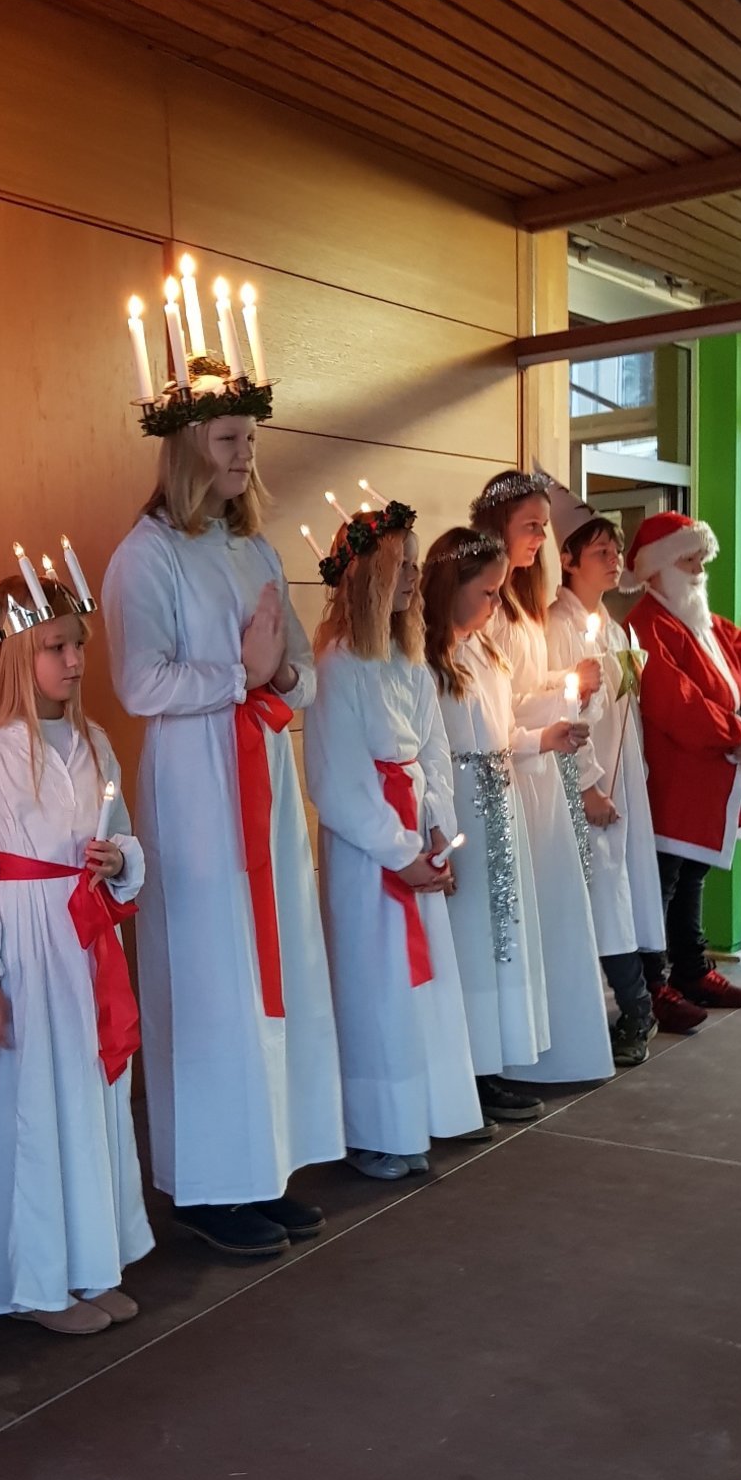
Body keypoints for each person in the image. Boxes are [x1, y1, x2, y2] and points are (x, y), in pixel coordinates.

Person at [102, 339, 342, 1256]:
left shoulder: (254, 548)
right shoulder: (144, 556)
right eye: (233, 439)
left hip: (263, 776)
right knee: (209, 978)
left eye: (251, 440)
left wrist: (273, 675)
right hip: (198, 787)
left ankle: (264, 1164)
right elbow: (137, 683)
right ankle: (207, 1186)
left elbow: (304, 670)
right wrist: (237, 675)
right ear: (188, 443)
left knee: (270, 970)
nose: (248, 456)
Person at [0, 559, 152, 1335]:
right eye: (55, 646)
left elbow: (120, 828)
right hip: (24, 954)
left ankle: (93, 1263)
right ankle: (38, 1284)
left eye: (78, 644)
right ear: (11, 653)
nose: (73, 661)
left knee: (89, 1104)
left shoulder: (92, 741)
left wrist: (119, 860)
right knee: (32, 1112)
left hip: (83, 940)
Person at [305, 498, 487, 1178]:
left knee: (421, 992)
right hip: (369, 855)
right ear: (365, 576)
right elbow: (337, 780)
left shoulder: (408, 659)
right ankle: (378, 1129)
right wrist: (400, 852)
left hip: (413, 837)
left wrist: (437, 830)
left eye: (415, 566)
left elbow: (433, 752)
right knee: (376, 988)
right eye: (401, 566)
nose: (414, 578)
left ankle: (421, 1118)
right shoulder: (338, 665)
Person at [473, 471, 615, 1087]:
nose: (537, 538)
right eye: (530, 526)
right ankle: (513, 1056)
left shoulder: (525, 607)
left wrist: (569, 685)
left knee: (551, 915)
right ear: (497, 527)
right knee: (519, 919)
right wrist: (564, 687)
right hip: (515, 774)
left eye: (542, 526)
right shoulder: (491, 611)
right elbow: (498, 709)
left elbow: (526, 694)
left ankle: (552, 1043)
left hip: (537, 771)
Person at [622, 510, 741, 1014]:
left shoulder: (713, 626)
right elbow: (674, 701)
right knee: (662, 881)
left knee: (691, 876)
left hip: (713, 777)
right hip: (673, 782)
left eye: (699, 559)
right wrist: (739, 733)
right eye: (687, 559)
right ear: (658, 568)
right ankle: (655, 985)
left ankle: (690, 970)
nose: (697, 569)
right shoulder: (644, 626)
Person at [420, 527, 550, 1120]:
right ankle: (468, 1067)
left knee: (502, 934)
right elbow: (434, 748)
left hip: (497, 800)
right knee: (470, 936)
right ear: (452, 586)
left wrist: (543, 738)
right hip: (461, 805)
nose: (498, 604)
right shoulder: (428, 658)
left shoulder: (484, 651)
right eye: (489, 591)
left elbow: (499, 731)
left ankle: (494, 1059)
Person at [548, 513, 665, 1066]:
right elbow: (568, 711)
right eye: (600, 552)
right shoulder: (557, 625)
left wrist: (634, 774)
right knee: (606, 894)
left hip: (623, 779)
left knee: (624, 889)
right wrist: (589, 784)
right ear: (568, 560)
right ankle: (635, 1008)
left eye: (615, 551)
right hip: (583, 783)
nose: (613, 560)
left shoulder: (615, 627)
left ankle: (639, 1003)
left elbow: (625, 710)